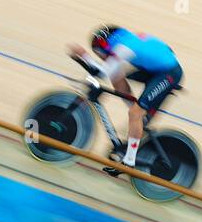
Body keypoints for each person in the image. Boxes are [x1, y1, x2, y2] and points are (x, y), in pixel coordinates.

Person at [68, 26, 183, 173]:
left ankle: (129, 162)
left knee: (135, 113)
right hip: (156, 69)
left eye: (100, 55)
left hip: (168, 74)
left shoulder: (123, 49)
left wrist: (84, 56)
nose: (103, 58)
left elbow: (100, 72)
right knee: (116, 75)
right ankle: (140, 118)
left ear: (106, 47)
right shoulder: (124, 40)